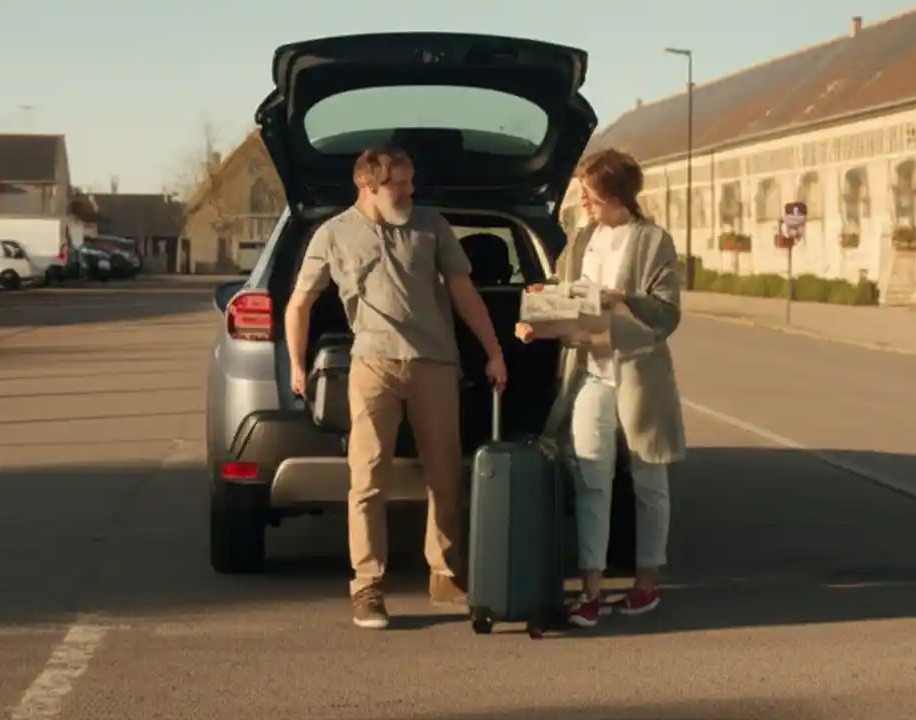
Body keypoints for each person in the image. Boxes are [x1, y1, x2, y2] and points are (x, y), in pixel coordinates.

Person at [285, 145, 508, 630]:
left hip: (434, 364)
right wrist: (296, 365)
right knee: (366, 479)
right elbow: (299, 303)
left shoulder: (431, 225)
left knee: (445, 475)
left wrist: (493, 350)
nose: (409, 191)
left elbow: (463, 291)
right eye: (398, 184)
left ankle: (446, 573)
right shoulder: (333, 234)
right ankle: (367, 586)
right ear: (366, 185)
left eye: (410, 181)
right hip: (372, 366)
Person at [516, 147, 686, 628]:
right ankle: (590, 591)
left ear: (613, 194)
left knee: (650, 482)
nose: (583, 202)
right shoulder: (582, 240)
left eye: (588, 194)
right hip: (590, 373)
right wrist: (538, 312)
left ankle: (646, 583)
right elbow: (559, 290)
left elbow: (667, 314)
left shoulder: (653, 242)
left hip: (639, 376)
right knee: (592, 477)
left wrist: (620, 300)